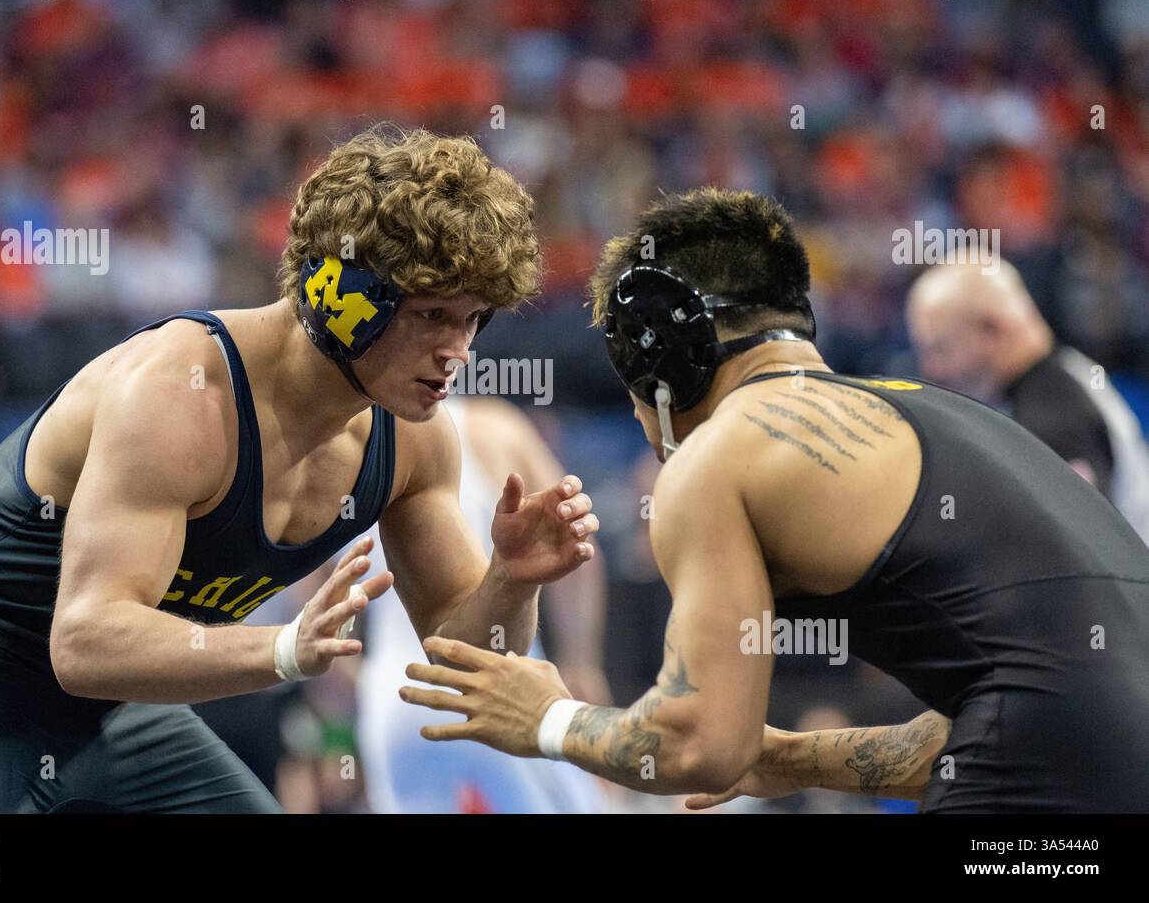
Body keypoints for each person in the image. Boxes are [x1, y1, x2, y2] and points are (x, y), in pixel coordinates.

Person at [0, 127, 597, 813]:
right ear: (342, 297)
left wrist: (512, 579)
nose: (457, 353)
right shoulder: (180, 395)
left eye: (472, 322)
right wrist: (281, 647)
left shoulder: (411, 440)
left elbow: (457, 661)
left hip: (108, 706)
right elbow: (83, 640)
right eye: (434, 316)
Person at [401, 187, 1149, 813]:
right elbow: (1022, 711)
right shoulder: (950, 417)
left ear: (660, 350)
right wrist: (794, 758)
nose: (633, 407)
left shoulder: (719, 456)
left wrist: (547, 719)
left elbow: (698, 747)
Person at [356, 395, 608, 813]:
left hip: (395, 696)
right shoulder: (497, 429)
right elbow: (577, 547)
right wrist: (583, 664)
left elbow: (316, 582)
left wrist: (333, 674)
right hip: (502, 689)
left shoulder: (356, 438)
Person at [907, 257, 1149, 541]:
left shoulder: (1054, 418)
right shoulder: (1062, 377)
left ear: (992, 328)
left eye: (940, 348)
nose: (931, 369)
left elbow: (1079, 552)